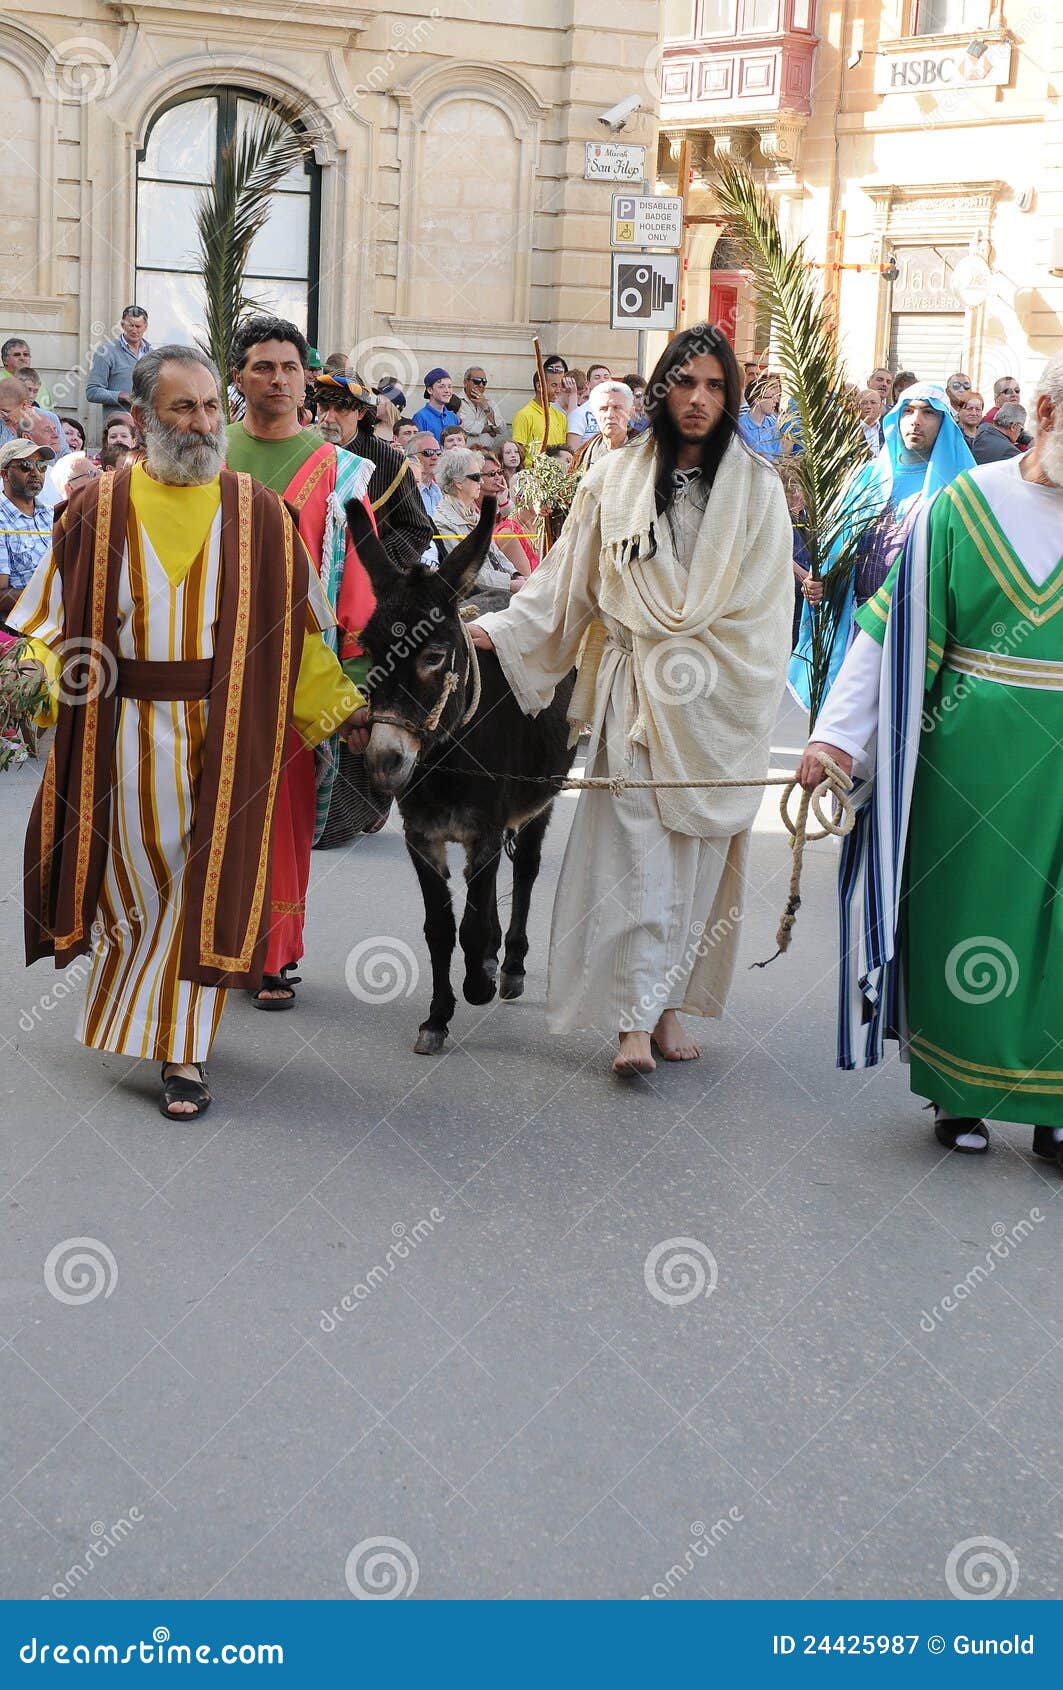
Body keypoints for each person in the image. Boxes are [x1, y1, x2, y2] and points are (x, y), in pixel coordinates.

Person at [8, 345, 368, 1117]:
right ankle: (144, 1020)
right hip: (120, 736)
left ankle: (183, 1053)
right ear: (141, 420)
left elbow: (297, 639)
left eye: (209, 406)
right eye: (183, 408)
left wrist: (342, 713)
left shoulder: (260, 515)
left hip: (226, 736)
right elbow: (48, 626)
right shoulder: (95, 508)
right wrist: (35, 688)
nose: (202, 423)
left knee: (193, 887)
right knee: (131, 886)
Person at [469, 323, 793, 1076]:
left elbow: (769, 610)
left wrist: (728, 679)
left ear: (730, 396)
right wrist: (501, 632)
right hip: (634, 699)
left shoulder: (757, 487)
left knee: (699, 860)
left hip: (716, 701)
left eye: (715, 385)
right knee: (638, 855)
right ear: (660, 388)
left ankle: (671, 1003)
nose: (698, 398)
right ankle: (630, 1024)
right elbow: (564, 582)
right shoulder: (611, 479)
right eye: (685, 381)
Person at [797, 351, 1063, 1165]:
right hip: (966, 756)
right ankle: (957, 1093)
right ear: (1047, 416)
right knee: (967, 919)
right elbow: (888, 624)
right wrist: (835, 734)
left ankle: (1054, 1105)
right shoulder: (965, 504)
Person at [225, 316, 377, 1007]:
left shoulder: (342, 472)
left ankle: (274, 955)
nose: (278, 379)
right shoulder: (207, 452)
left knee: (283, 818)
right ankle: (214, 942)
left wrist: (355, 689)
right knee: (212, 812)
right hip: (205, 663)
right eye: (262, 366)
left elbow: (357, 589)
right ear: (237, 377)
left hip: (297, 672)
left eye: (290, 367)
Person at [789, 383, 974, 711]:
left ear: (944, 421)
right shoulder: (868, 478)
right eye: (908, 410)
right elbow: (835, 552)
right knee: (845, 738)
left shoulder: (961, 487)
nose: (916, 420)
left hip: (918, 632)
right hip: (857, 626)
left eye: (928, 412)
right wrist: (822, 584)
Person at [314, 373, 432, 571]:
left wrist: (370, 565)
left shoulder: (390, 461)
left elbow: (417, 530)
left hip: (369, 588)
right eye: (324, 407)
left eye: (341, 408)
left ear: (361, 412)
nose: (328, 418)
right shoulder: (305, 450)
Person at [435, 447, 525, 608]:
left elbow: (496, 554)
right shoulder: (443, 523)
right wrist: (510, 584)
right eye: (476, 477)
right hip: (472, 601)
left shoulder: (473, 515)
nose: (481, 482)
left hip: (497, 592)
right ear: (458, 483)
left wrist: (516, 576)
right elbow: (467, 574)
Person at [0, 440, 55, 626]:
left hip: (60, 618)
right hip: (21, 628)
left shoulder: (53, 514)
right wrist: (50, 596)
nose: (35, 473)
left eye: (41, 466)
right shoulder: (1, 520)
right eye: (26, 465)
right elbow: (1, 595)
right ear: (4, 474)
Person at [86, 306, 151, 419]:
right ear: (122, 325)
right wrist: (122, 396)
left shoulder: (152, 355)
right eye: (130, 325)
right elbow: (92, 392)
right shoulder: (106, 352)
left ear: (145, 327)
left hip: (146, 426)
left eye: (138, 326)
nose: (134, 330)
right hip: (118, 428)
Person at [478, 452, 539, 570]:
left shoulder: (538, 524)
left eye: (500, 472)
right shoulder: (507, 532)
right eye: (491, 474)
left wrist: (504, 503)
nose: (498, 477)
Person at [511, 358, 576, 453]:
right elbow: (519, 451)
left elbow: (563, 449)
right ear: (539, 386)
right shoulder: (523, 415)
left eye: (559, 386)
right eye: (554, 385)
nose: (558, 390)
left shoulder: (560, 417)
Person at [573, 379, 634, 471]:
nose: (610, 415)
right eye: (603, 409)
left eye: (617, 408)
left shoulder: (645, 451)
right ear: (594, 414)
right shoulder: (582, 455)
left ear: (630, 412)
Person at [738, 371, 787, 459]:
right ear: (757, 399)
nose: (776, 401)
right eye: (771, 397)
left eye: (776, 397)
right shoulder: (740, 427)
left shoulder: (772, 424)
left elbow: (778, 457)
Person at [566, 362, 612, 450]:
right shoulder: (578, 414)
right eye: (597, 377)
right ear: (588, 384)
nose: (602, 380)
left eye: (606, 377)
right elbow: (572, 450)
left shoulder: (619, 412)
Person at [458, 366, 506, 447]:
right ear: (465, 382)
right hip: (465, 455)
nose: (481, 385)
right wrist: (489, 429)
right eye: (477, 381)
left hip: (486, 455)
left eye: (484, 382)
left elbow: (502, 429)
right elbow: (463, 426)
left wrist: (486, 408)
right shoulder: (457, 401)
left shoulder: (489, 402)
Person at [412, 367, 461, 442]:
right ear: (430, 390)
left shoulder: (452, 417)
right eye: (441, 387)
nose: (447, 391)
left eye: (450, 386)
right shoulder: (420, 417)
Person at [2, 338, 52, 408]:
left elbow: (50, 413)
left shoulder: (42, 385)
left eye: (26, 354)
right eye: (17, 355)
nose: (22, 358)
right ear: (5, 360)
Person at [406, 431, 443, 521]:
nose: (435, 457)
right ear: (412, 457)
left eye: (438, 452)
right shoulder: (407, 491)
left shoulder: (440, 491)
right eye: (428, 452)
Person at [0, 375, 31, 444]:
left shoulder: (46, 420)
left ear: (24, 405)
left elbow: (58, 452)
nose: (1, 415)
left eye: (6, 411)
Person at [857, 389, 884, 454]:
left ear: (880, 407)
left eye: (873, 402)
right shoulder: (850, 430)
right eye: (864, 403)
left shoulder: (888, 428)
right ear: (857, 406)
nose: (869, 406)